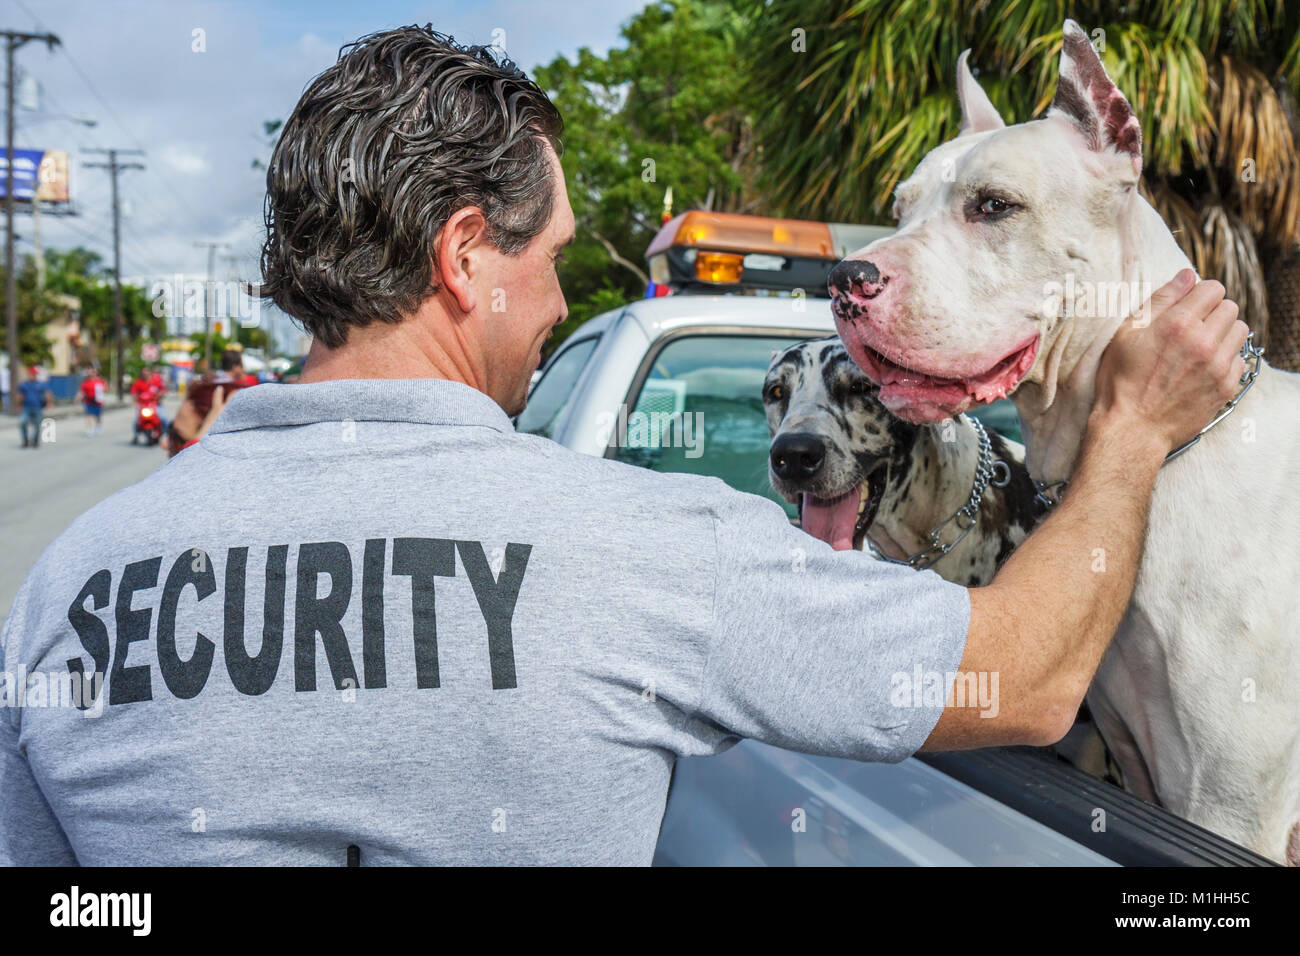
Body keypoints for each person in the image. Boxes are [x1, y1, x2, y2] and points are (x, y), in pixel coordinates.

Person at [0, 27, 1248, 866]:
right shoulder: (641, 552)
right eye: (546, 263)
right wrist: (1134, 431)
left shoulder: (70, 579)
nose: (554, 307)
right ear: (464, 258)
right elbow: (1022, 679)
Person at [16, 366, 51, 449]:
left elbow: (47, 393)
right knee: (22, 422)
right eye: (31, 374)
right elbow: (20, 395)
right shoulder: (24, 384)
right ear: (28, 375)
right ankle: (25, 441)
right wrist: (18, 406)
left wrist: (49, 403)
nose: (32, 376)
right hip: (26, 408)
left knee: (37, 426)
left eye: (34, 374)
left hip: (37, 408)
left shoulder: (40, 384)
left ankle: (35, 441)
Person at [79, 366, 107, 436]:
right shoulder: (86, 382)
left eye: (92, 372)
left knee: (98, 416)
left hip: (98, 401)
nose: (91, 373)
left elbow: (105, 389)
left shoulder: (100, 381)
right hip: (89, 401)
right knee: (89, 415)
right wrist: (77, 399)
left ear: (96, 373)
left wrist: (103, 397)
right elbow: (82, 392)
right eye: (89, 372)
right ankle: (90, 429)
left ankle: (98, 427)